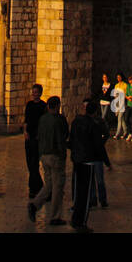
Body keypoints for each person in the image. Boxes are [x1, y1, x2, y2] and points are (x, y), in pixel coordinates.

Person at [69, 98, 109, 233]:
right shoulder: (93, 125)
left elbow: (71, 139)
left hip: (77, 159)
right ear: (95, 112)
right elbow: (98, 144)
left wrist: (74, 152)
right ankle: (80, 222)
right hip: (88, 160)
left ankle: (75, 218)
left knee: (78, 190)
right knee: (85, 195)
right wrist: (106, 160)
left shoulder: (75, 122)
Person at [28, 94, 68, 226]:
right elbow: (61, 138)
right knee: (57, 187)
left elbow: (38, 135)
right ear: (57, 106)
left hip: (43, 156)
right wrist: (63, 155)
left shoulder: (43, 119)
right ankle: (55, 216)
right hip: (55, 156)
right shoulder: (58, 120)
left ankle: (34, 205)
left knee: (49, 184)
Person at [23, 84, 47, 198]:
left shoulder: (43, 106)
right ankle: (41, 187)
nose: (34, 94)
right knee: (30, 163)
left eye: (36, 92)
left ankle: (33, 189)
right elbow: (26, 120)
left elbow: (44, 122)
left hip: (37, 138)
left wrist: (40, 135)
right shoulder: (29, 105)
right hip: (29, 137)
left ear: (40, 93)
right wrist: (25, 131)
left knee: (34, 163)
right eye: (33, 92)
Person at [110, 75, 127, 140]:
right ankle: (125, 132)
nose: (118, 78)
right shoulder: (116, 85)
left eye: (119, 77)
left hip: (122, 103)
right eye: (117, 77)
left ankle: (117, 134)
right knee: (121, 119)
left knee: (119, 119)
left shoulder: (125, 85)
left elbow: (125, 94)